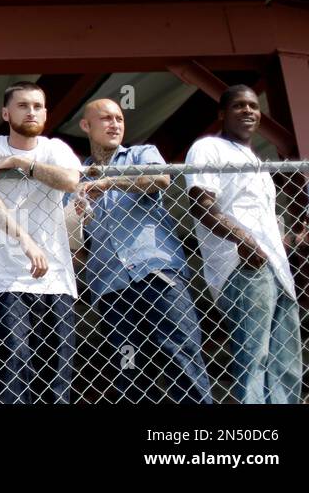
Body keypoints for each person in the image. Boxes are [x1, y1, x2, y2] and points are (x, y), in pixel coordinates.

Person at [74, 98, 211, 403]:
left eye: (119, 119)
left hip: (158, 275)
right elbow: (69, 230)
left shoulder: (140, 153)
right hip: (111, 288)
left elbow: (159, 179)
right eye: (106, 118)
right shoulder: (76, 175)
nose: (115, 124)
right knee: (130, 372)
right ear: (86, 125)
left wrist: (111, 182)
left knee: (181, 358)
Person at [0, 81, 82, 403]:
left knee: (57, 375)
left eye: (38, 106)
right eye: (22, 105)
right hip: (5, 278)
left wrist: (20, 164)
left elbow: (72, 180)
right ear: (6, 112)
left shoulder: (54, 148)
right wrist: (24, 238)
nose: (31, 112)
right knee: (13, 366)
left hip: (55, 278)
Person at [185, 85, 302, 404]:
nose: (248, 110)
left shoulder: (256, 160)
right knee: (255, 358)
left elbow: (262, 220)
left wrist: (296, 239)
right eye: (238, 106)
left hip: (277, 269)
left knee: (287, 364)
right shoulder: (209, 147)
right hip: (243, 267)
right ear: (222, 114)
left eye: (253, 105)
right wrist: (245, 241)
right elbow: (201, 203)